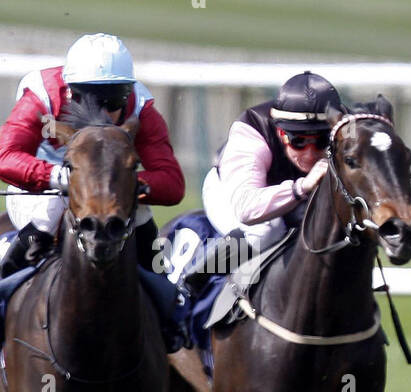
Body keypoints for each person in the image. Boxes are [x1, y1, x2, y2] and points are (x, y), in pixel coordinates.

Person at [0, 33, 189, 348]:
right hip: (44, 187)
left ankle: (168, 312)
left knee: (139, 211)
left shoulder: (141, 108)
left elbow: (172, 182)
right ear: (70, 91)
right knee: (51, 211)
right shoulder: (42, 96)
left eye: (112, 101)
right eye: (88, 100)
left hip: (109, 186)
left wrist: (125, 183)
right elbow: (6, 157)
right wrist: (62, 177)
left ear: (127, 93)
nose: (101, 113)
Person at [186, 71, 342, 295]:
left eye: (322, 141)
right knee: (267, 230)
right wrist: (302, 187)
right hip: (232, 193)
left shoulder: (345, 129)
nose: (310, 154)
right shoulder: (251, 131)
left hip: (294, 196)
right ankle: (194, 280)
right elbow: (247, 209)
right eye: (298, 141)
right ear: (280, 132)